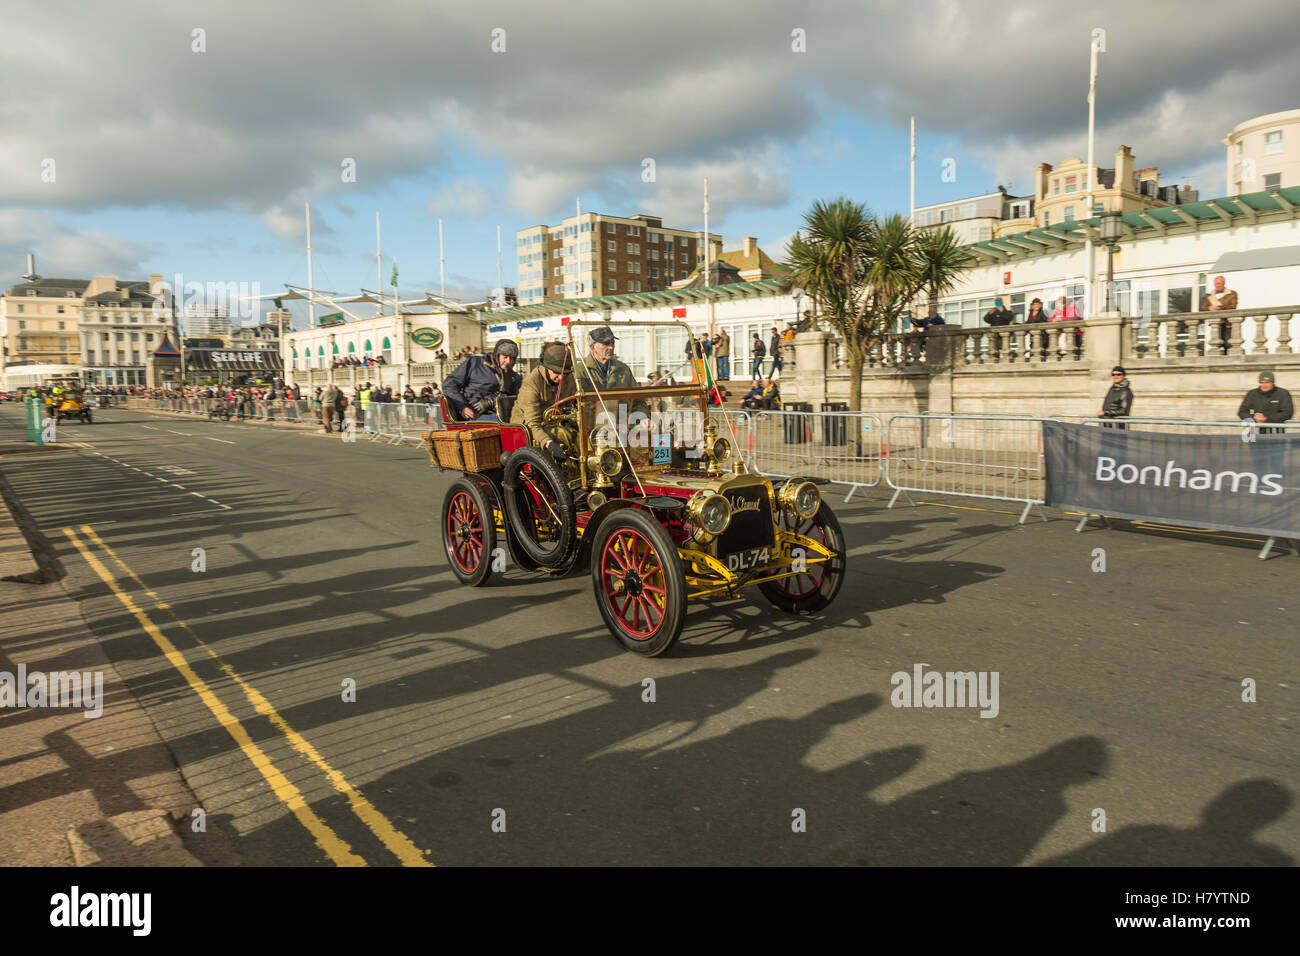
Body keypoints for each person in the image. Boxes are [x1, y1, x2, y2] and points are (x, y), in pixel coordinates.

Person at [514, 342, 576, 460]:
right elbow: (532, 423)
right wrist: (548, 443)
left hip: (556, 424)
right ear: (547, 368)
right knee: (564, 435)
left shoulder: (569, 379)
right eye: (557, 372)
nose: (561, 378)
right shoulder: (531, 383)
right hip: (527, 430)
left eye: (565, 373)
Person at [441, 339, 521, 421]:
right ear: (497, 355)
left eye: (512, 358)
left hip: (502, 413)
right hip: (475, 413)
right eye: (505, 357)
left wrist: (492, 402)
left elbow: (519, 399)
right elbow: (449, 384)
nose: (508, 361)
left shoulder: (515, 377)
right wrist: (462, 406)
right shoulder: (475, 363)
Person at [577, 326, 638, 390]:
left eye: (613, 343)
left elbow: (638, 397)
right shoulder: (580, 370)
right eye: (606, 343)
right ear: (593, 347)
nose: (611, 347)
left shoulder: (623, 369)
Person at [1203, 275, 1239, 353]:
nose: (1218, 285)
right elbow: (1202, 308)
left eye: (1220, 283)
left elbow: (1233, 306)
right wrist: (1209, 308)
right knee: (1216, 346)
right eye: (1216, 283)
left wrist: (1219, 307)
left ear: (1224, 283)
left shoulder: (1232, 293)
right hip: (1215, 324)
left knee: (1228, 344)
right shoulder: (1209, 295)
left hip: (1228, 323)